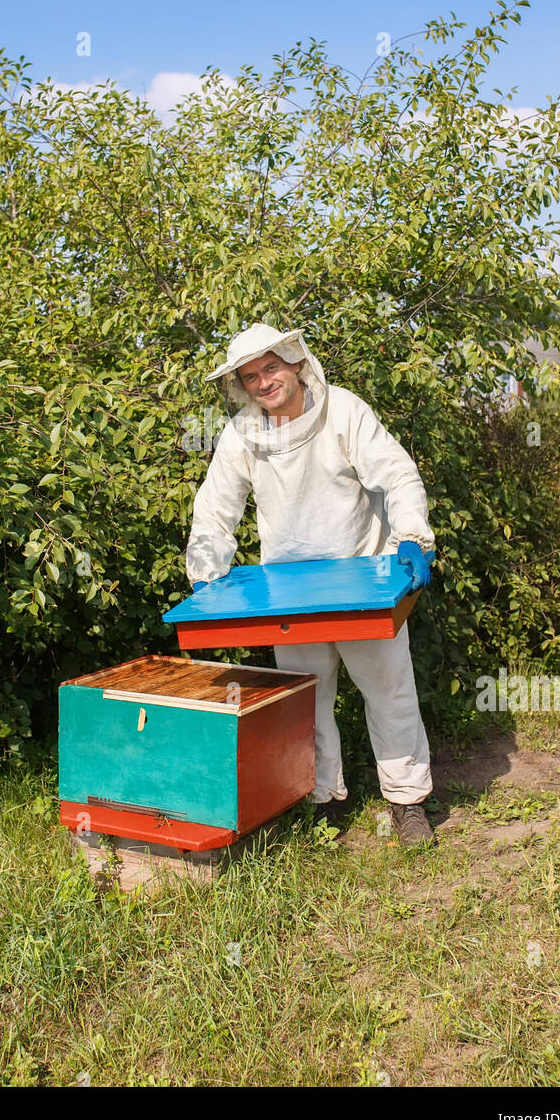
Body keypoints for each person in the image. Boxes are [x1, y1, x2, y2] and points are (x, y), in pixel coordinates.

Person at [185, 322, 437, 847]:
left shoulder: (344, 410)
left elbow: (397, 472)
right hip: (289, 594)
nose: (263, 383)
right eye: (250, 376)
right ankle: (323, 798)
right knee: (304, 699)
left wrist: (411, 535)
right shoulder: (241, 435)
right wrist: (206, 577)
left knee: (388, 690)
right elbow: (214, 512)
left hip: (364, 580)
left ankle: (407, 801)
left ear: (295, 363)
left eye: (270, 367)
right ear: (241, 386)